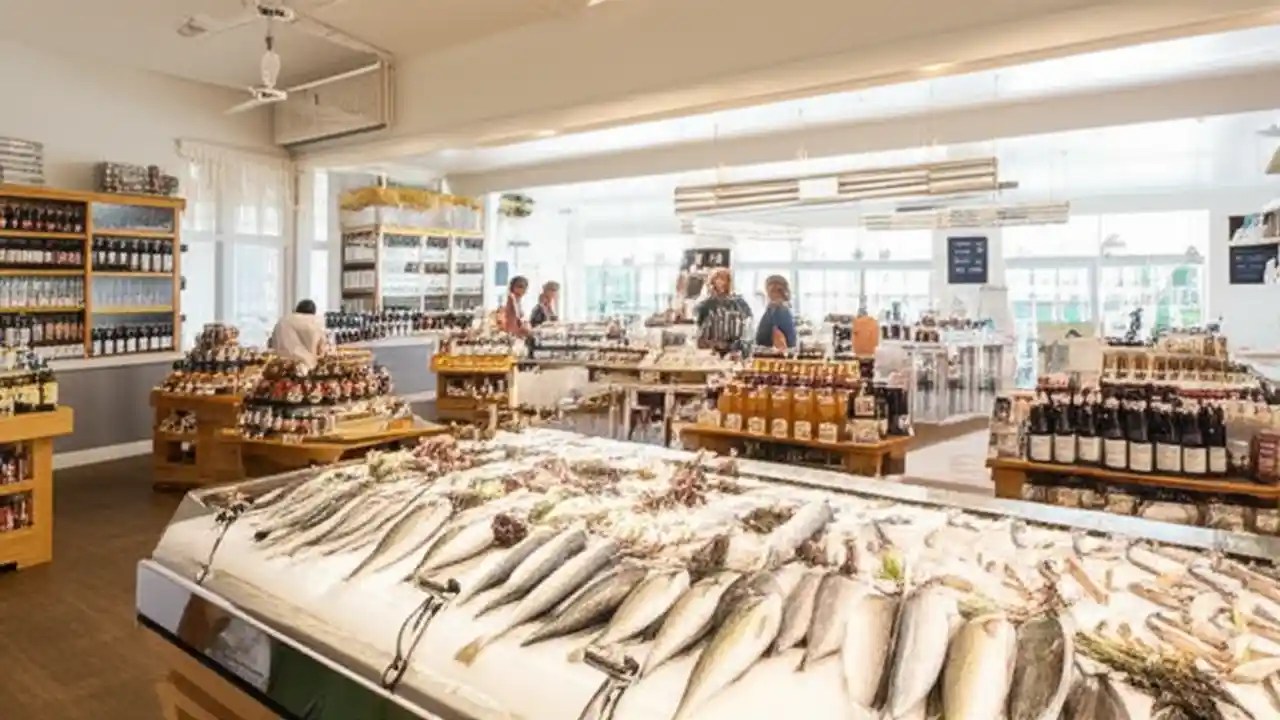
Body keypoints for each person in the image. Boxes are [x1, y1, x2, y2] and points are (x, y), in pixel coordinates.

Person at [694, 268, 752, 355]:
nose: (721, 282)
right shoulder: (705, 303)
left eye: (724, 278)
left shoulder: (739, 302)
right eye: (718, 279)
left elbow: (748, 323)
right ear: (712, 282)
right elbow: (699, 324)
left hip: (735, 349)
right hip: (711, 350)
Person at [269, 299, 328, 369]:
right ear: (314, 312)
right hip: (305, 366)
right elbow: (321, 351)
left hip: (279, 365)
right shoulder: (315, 322)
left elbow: (271, 343)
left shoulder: (282, 320)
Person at [755, 274, 797, 350]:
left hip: (771, 357)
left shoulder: (778, 311)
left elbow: (780, 344)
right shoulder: (781, 309)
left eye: (768, 291)